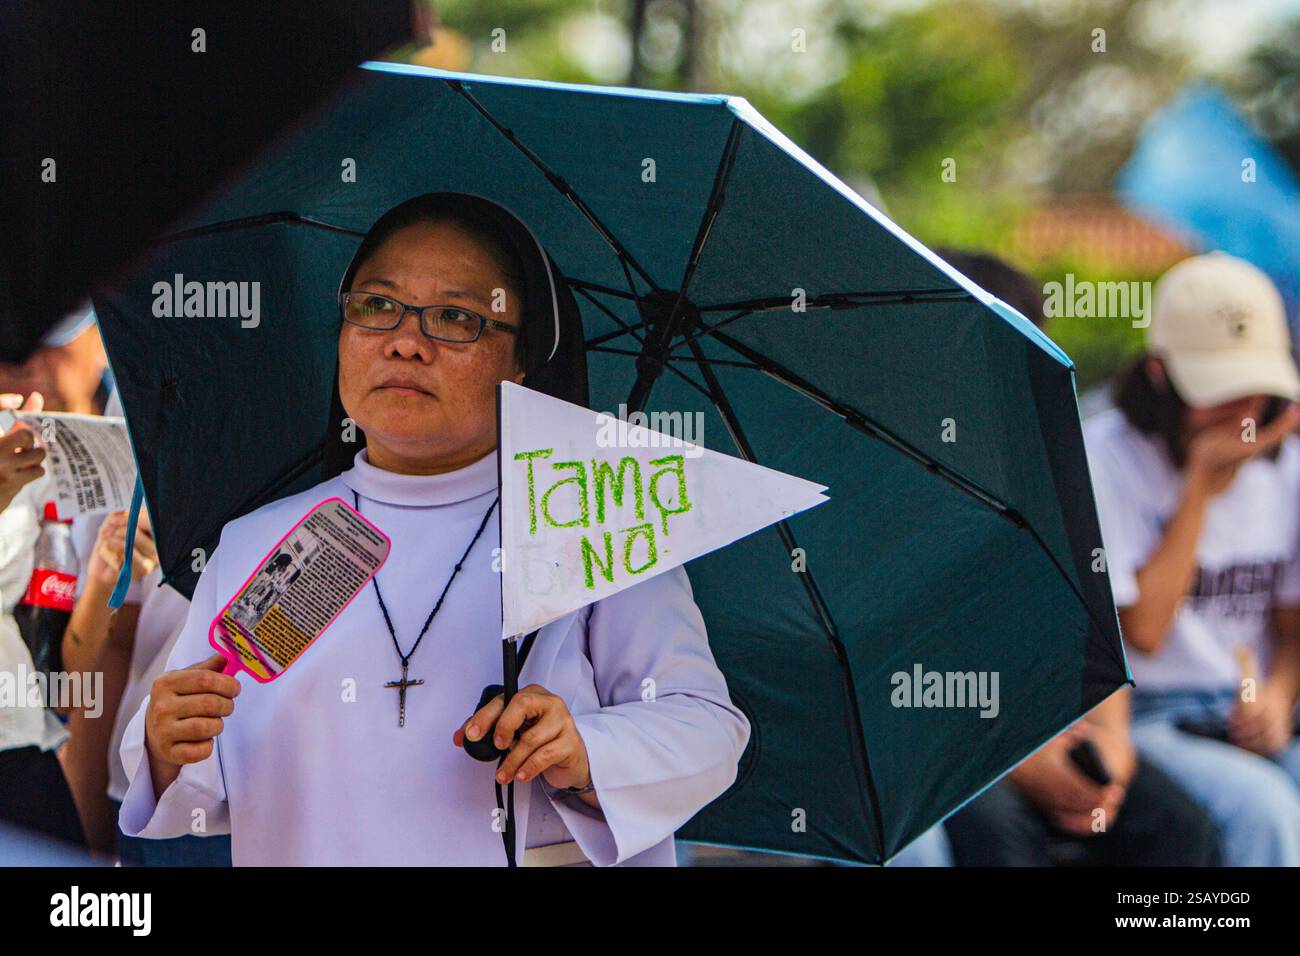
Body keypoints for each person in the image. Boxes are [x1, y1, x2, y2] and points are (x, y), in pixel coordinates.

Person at [117, 192, 751, 865]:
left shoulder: (593, 523)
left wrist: (586, 749)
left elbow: (708, 728)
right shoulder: (259, 544)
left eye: (455, 317)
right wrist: (163, 744)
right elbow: (196, 792)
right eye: (376, 305)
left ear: (521, 360)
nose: (405, 342)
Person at [935, 249, 1221, 866]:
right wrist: (1022, 764)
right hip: (953, 751)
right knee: (992, 835)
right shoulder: (903, 476)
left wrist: (1113, 743)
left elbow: (1097, 626)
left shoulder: (1047, 469)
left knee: (1176, 827)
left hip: (1055, 731)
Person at [1084, 251, 1300, 866]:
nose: (1238, 413)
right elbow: (1145, 631)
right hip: (1149, 714)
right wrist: (1201, 487)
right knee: (1265, 812)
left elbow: (1289, 630)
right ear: (1160, 374)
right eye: (1216, 390)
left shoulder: (1287, 469)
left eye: (1251, 388)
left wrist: (1280, 699)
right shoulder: (1108, 457)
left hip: (1241, 711)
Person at [0, 305, 107, 848]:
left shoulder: (30, 449)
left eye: (56, 333)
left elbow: (65, 670)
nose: (28, 359)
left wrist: (108, 580)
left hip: (19, 735)